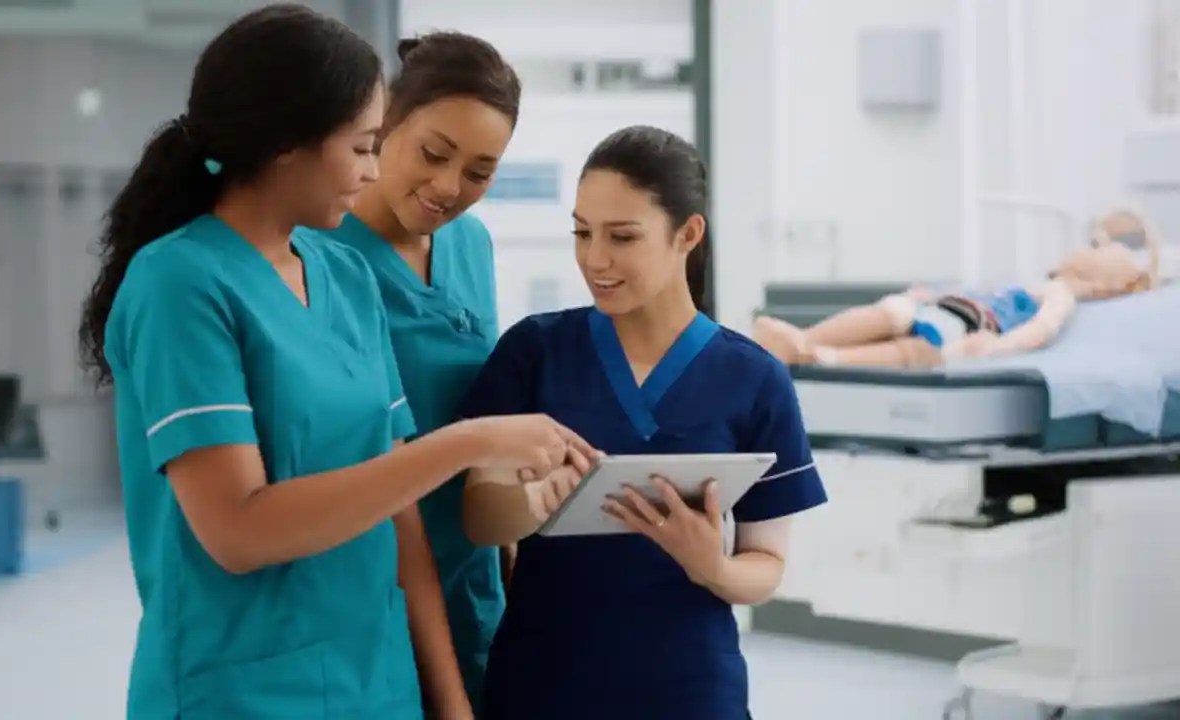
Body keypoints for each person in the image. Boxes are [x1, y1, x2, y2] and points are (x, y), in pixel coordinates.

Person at [76, 6, 594, 718]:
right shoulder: (180, 284)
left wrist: (448, 702)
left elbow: (401, 516)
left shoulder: (343, 276)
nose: (372, 171)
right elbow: (238, 531)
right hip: (237, 689)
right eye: (362, 147)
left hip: (377, 682)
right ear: (287, 141)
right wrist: (467, 443)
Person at [457, 125, 828, 720]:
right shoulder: (533, 352)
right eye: (582, 233)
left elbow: (767, 564)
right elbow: (478, 518)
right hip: (546, 681)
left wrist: (714, 567)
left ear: (688, 234)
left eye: (622, 237)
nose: (594, 259)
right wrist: (533, 500)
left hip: (689, 686)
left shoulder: (754, 379)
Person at [304, 31, 520, 715]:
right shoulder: (316, 256)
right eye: (433, 154)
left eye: (480, 173)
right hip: (368, 590)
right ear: (384, 124)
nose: (449, 188)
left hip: (473, 583)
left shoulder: (471, 245)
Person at [751, 208, 1163, 369]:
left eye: (1101, 248)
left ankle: (818, 355)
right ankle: (802, 339)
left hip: (966, 329)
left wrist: (997, 348)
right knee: (890, 313)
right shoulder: (1037, 280)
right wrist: (929, 293)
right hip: (950, 305)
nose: (1092, 246)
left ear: (1110, 286)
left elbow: (1042, 330)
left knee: (917, 350)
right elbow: (977, 288)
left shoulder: (1062, 295)